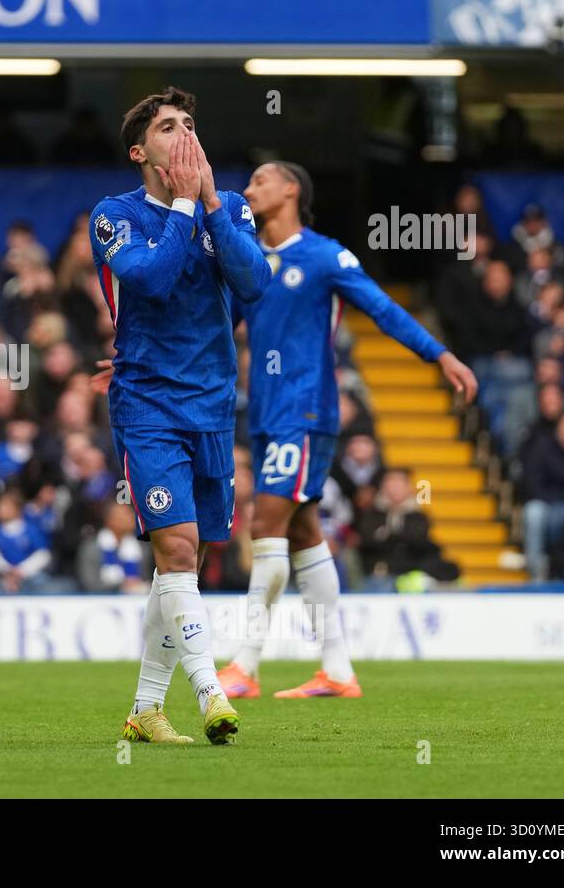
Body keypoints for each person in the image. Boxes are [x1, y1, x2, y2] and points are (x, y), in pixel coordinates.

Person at [215, 161, 476, 700]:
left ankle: (245, 664)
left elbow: (382, 309)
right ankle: (337, 669)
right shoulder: (250, 263)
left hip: (304, 411)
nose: (249, 188)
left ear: (291, 190)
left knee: (266, 521)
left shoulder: (324, 255)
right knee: (303, 532)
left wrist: (440, 354)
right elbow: (220, 331)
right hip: (263, 413)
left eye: (261, 180)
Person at [88, 87, 271, 745]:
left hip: (214, 406)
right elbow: (152, 279)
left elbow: (255, 284)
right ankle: (211, 694)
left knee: (178, 566)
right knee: (179, 548)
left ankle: (144, 709)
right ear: (141, 151)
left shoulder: (233, 209)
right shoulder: (115, 215)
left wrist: (214, 205)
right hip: (147, 406)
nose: (184, 134)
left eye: (190, 123)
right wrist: (189, 206)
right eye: (169, 127)